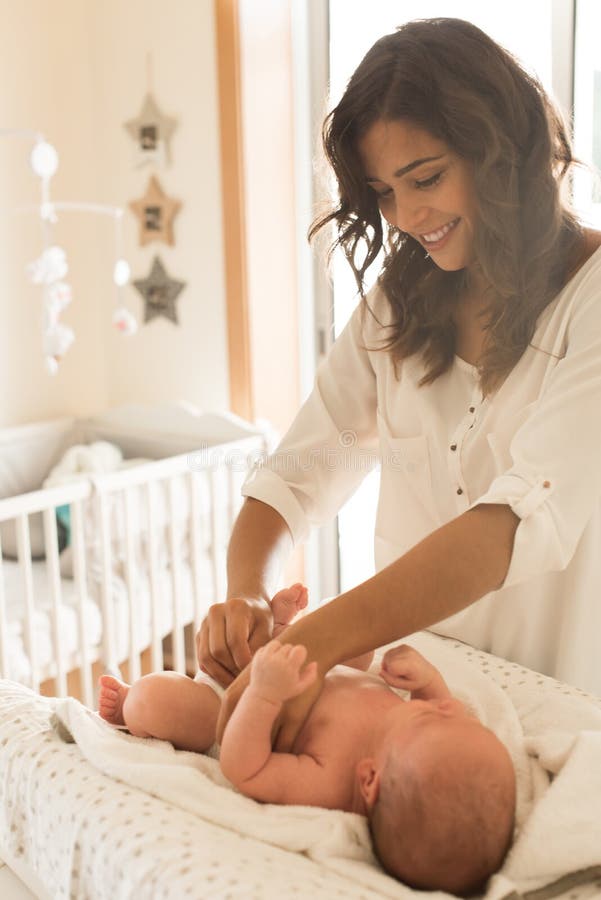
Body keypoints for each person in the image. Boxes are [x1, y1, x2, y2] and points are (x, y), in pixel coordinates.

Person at [197, 16, 601, 749]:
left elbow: (513, 523)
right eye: (383, 192)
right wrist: (247, 592)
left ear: (501, 151)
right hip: (415, 714)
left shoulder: (591, 297)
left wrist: (317, 639)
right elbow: (299, 472)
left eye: (426, 178)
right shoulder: (398, 303)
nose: (407, 217)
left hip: (557, 722)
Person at [98, 609, 516, 895]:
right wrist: (426, 681)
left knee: (154, 703)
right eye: (457, 717)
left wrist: (263, 695)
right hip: (310, 667)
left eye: (431, 717)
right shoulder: (424, 738)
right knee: (357, 641)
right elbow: (443, 711)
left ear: (370, 780)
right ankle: (278, 629)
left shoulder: (330, 780)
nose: (446, 707)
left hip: (236, 711)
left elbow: (244, 768)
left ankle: (128, 703)